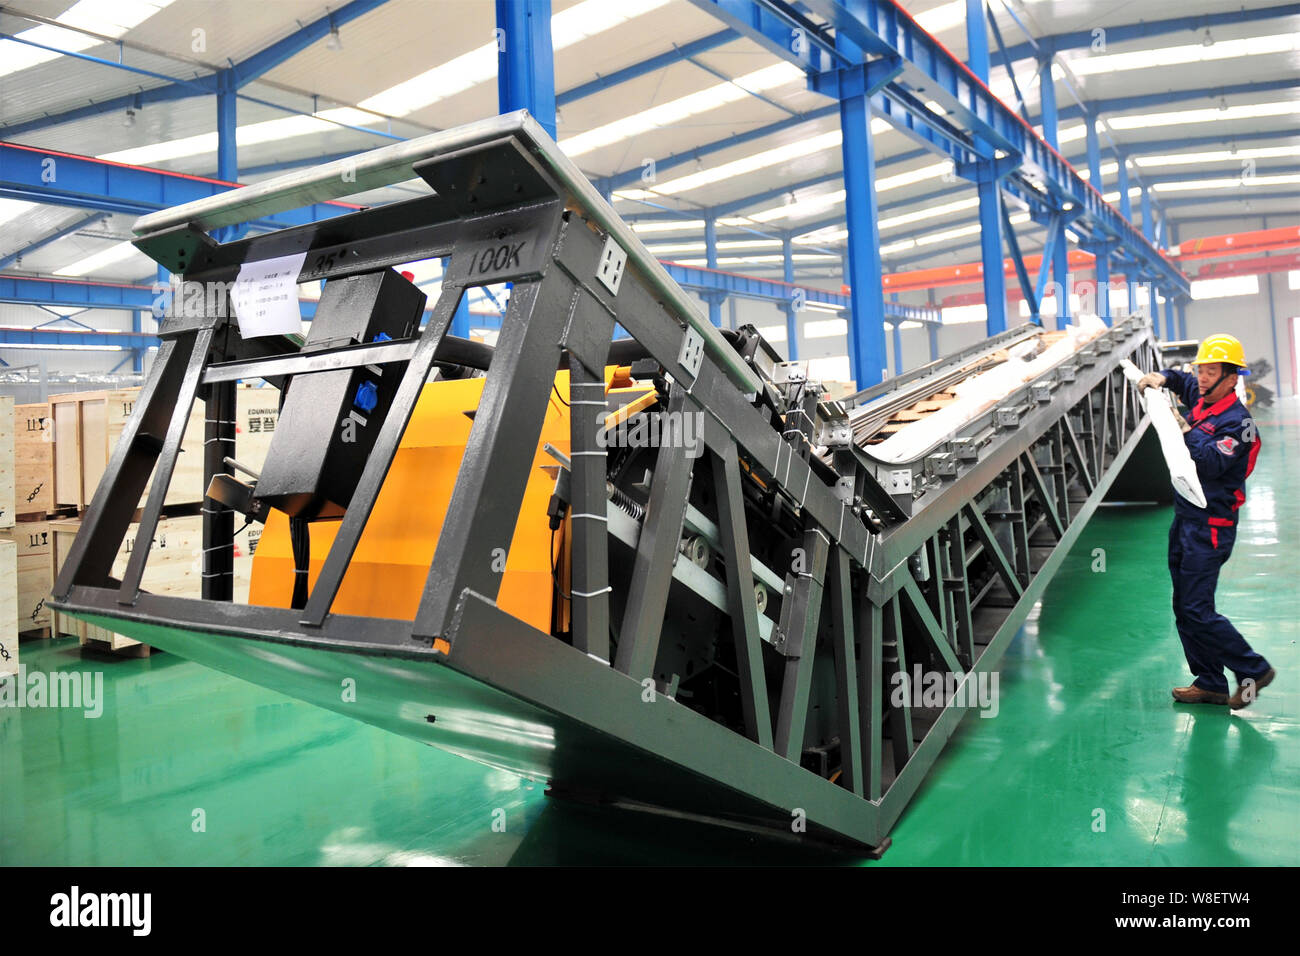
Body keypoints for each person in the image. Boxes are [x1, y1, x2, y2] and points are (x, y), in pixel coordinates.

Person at [1137, 333, 1274, 709]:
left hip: (1211, 527)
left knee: (1197, 609)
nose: (1201, 377)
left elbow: (1212, 464)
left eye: (1211, 372)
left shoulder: (1240, 424)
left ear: (1231, 378)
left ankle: (1254, 670)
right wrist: (1164, 377)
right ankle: (1210, 682)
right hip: (1185, 518)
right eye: (1201, 369)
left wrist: (1184, 430)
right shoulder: (1202, 396)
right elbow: (1181, 381)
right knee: (1184, 606)